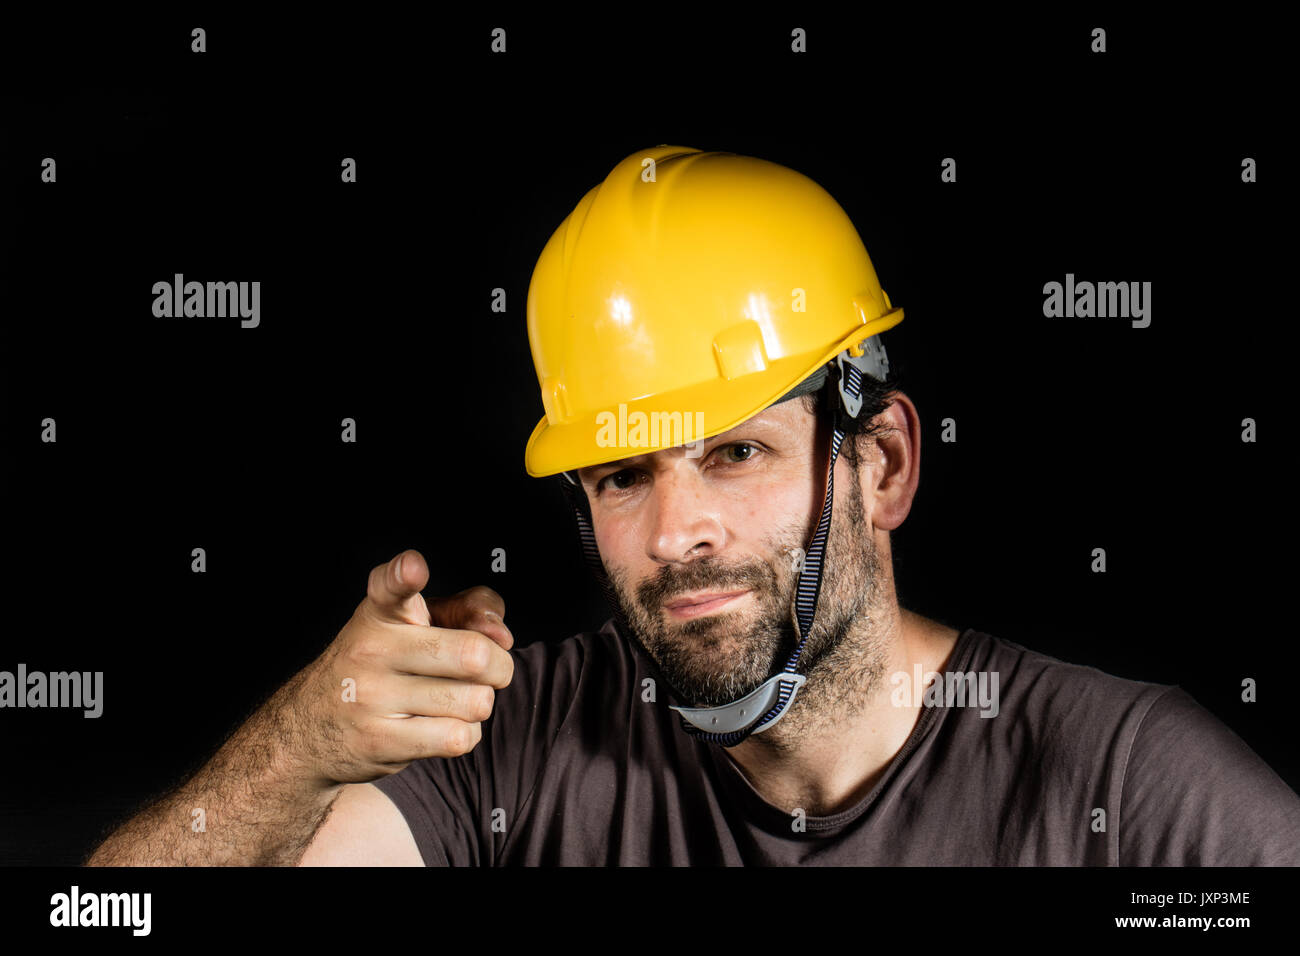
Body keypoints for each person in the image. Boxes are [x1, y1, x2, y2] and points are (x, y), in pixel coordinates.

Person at [87, 146, 1300, 866]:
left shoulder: (1134, 795)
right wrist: (304, 744)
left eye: (734, 454)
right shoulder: (502, 751)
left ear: (880, 463)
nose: (676, 534)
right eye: (624, 474)